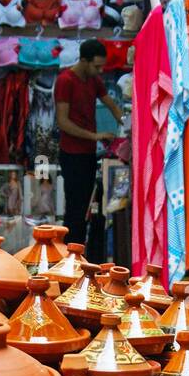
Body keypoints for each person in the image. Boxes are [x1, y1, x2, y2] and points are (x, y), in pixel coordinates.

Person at [54, 38, 122, 250]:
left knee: (86, 207)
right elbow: (63, 122)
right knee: (75, 208)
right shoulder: (65, 80)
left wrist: (128, 124)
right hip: (72, 154)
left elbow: (112, 104)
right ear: (83, 60)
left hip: (88, 153)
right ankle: (69, 253)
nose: (100, 70)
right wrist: (94, 136)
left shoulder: (93, 80)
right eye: (97, 66)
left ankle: (78, 252)